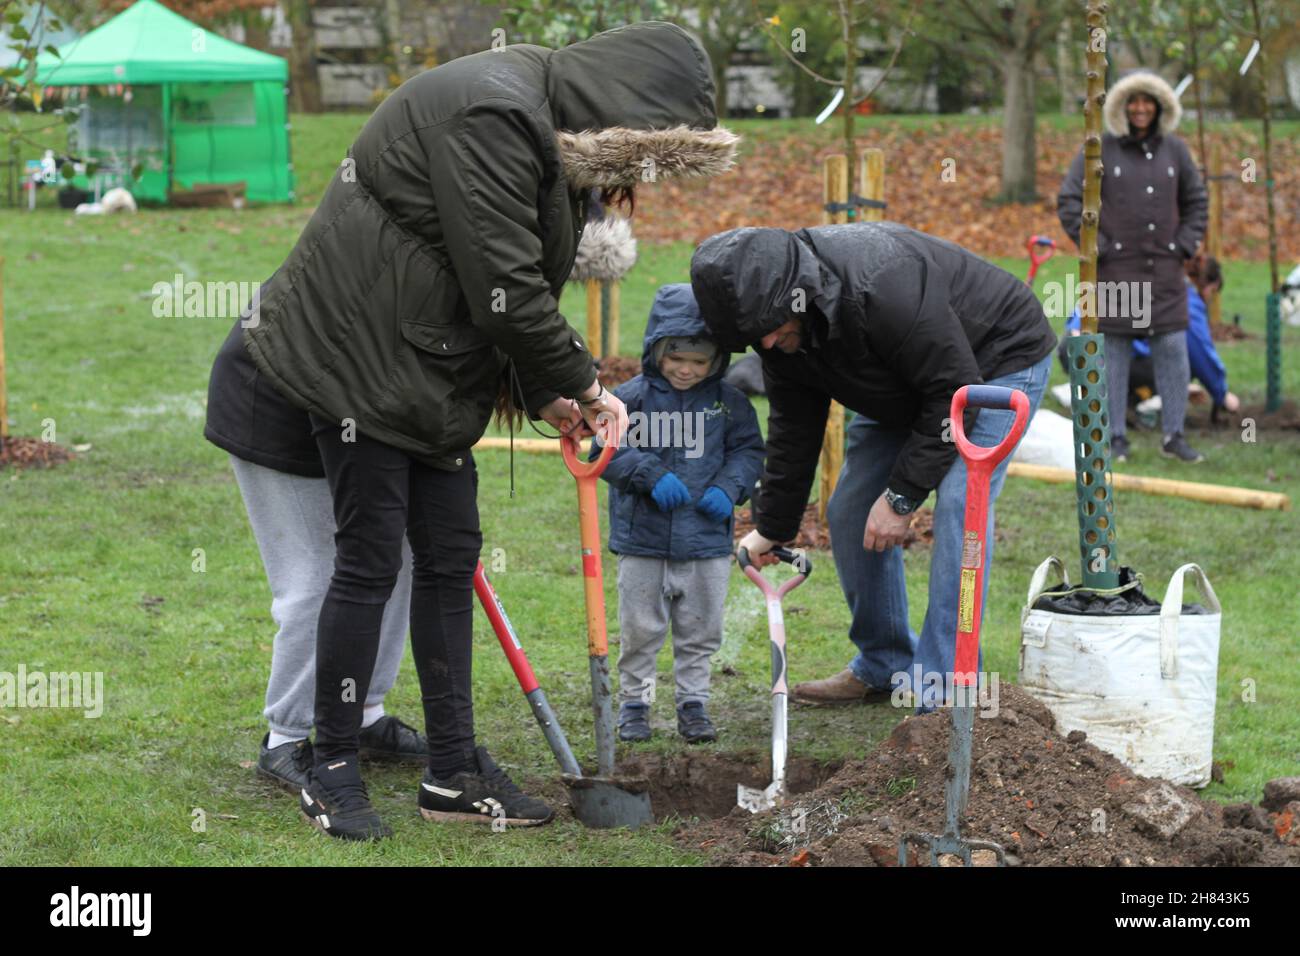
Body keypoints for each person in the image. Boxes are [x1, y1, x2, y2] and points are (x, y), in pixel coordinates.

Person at [237, 21, 737, 840]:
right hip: (357, 363)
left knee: (447, 558)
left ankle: (455, 769)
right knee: (367, 563)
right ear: (620, 108)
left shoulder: (551, 130)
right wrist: (581, 379)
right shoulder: (492, 112)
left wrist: (549, 394)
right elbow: (502, 280)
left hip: (428, 366)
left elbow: (502, 287)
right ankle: (328, 762)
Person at [690, 223, 1056, 709]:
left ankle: (943, 688)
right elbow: (795, 426)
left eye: (772, 331)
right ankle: (885, 664)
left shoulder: (881, 287)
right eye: (756, 338)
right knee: (848, 510)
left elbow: (951, 390)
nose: (770, 345)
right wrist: (773, 526)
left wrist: (901, 497)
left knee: (960, 511)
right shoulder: (777, 328)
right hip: (904, 382)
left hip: (994, 360)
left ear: (797, 297)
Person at [205, 311, 427, 794]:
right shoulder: (372, 259)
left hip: (352, 406)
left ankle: (365, 711)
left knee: (397, 553)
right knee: (320, 574)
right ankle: (284, 737)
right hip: (274, 404)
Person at [591, 284, 764, 744]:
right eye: (675, 359)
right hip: (643, 540)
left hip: (706, 542)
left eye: (698, 361)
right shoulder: (629, 399)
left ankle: (693, 703)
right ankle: (635, 704)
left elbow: (749, 451)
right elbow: (603, 449)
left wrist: (729, 489)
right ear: (656, 351)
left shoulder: (731, 403)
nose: (686, 370)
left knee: (701, 629)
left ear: (716, 361)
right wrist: (648, 474)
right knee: (641, 629)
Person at [1057, 70, 1208, 463]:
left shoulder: (1176, 151)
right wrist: (1098, 246)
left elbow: (1197, 201)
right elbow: (1071, 201)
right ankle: (1115, 437)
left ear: (1160, 107)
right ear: (1123, 107)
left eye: (1148, 101)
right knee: (1115, 353)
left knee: (1174, 352)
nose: (1141, 109)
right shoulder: (1099, 149)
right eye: (1133, 102)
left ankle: (1174, 435)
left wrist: (1185, 245)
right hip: (1116, 271)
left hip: (1166, 273)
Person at [1057, 255, 1237, 445]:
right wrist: (1222, 393)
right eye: (1213, 291)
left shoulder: (1128, 273)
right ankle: (1124, 408)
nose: (1210, 298)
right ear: (1205, 283)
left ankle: (1103, 402)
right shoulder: (1183, 295)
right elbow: (1199, 352)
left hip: (1072, 347)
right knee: (1176, 357)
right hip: (1107, 354)